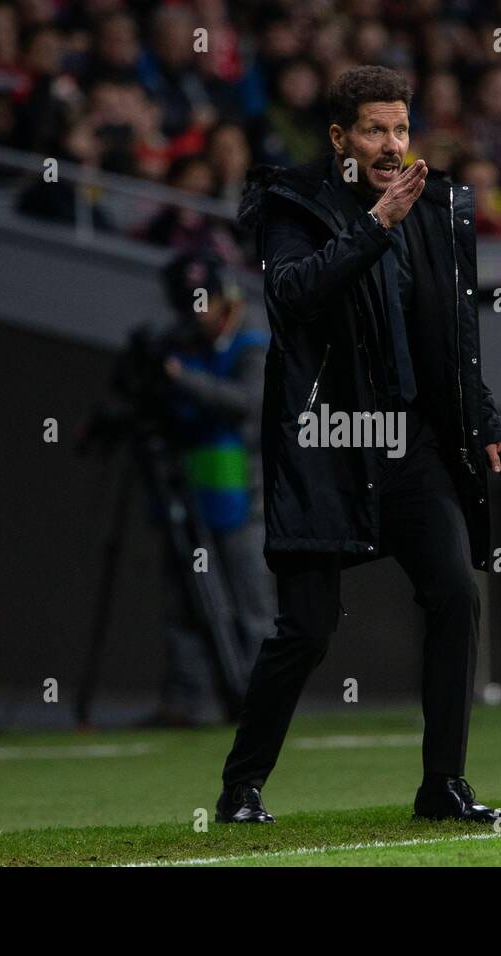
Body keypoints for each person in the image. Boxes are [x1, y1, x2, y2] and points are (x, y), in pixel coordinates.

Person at [218, 65, 501, 824]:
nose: (392, 145)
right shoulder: (294, 204)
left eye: (400, 129)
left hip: (411, 441)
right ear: (339, 138)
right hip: (327, 443)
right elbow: (292, 295)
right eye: (374, 130)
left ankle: (442, 785)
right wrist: (375, 222)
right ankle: (240, 788)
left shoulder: (430, 208)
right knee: (308, 629)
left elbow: (450, 341)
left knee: (455, 593)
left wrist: (486, 423)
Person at [153, 252, 274, 726]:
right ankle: (190, 702)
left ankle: (261, 703)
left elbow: (245, 403)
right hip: (191, 491)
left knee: (252, 605)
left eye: (203, 302)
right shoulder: (180, 343)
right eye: (188, 305)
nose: (196, 313)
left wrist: (182, 379)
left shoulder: (252, 345)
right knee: (186, 600)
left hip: (245, 493)